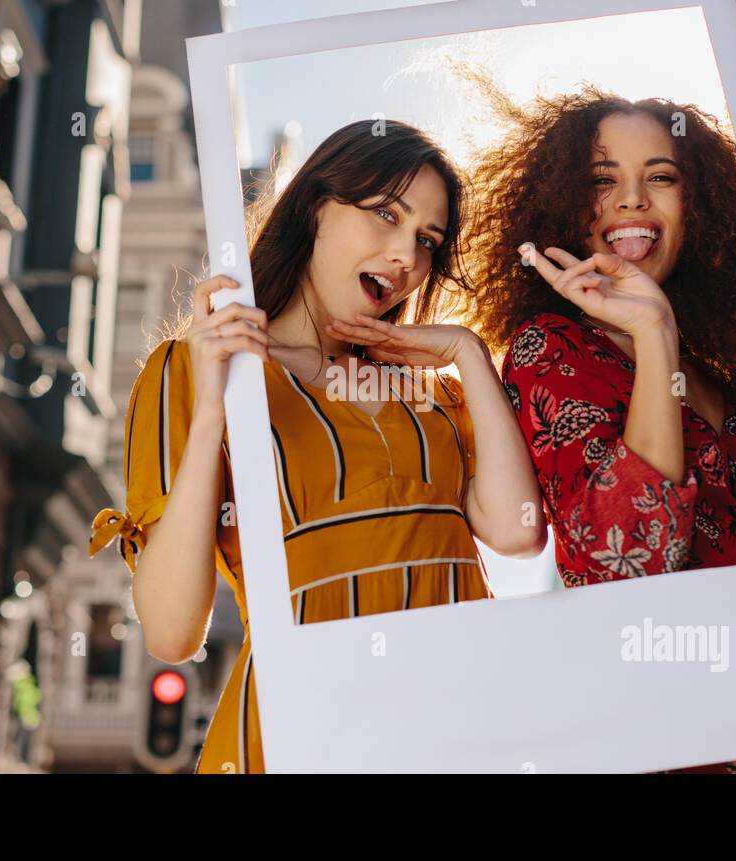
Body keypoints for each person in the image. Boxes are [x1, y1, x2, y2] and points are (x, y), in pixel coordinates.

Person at [89, 119, 546, 773]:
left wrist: (470, 357)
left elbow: (516, 533)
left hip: (461, 727)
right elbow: (170, 630)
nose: (407, 256)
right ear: (314, 209)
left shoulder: (436, 395)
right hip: (298, 737)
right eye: (386, 213)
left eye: (427, 240)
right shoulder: (192, 372)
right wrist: (215, 409)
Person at [460, 85, 736, 774]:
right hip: (664, 744)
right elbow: (632, 558)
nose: (633, 198)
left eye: (661, 177)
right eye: (603, 180)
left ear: (702, 207)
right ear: (566, 205)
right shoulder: (553, 352)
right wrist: (653, 332)